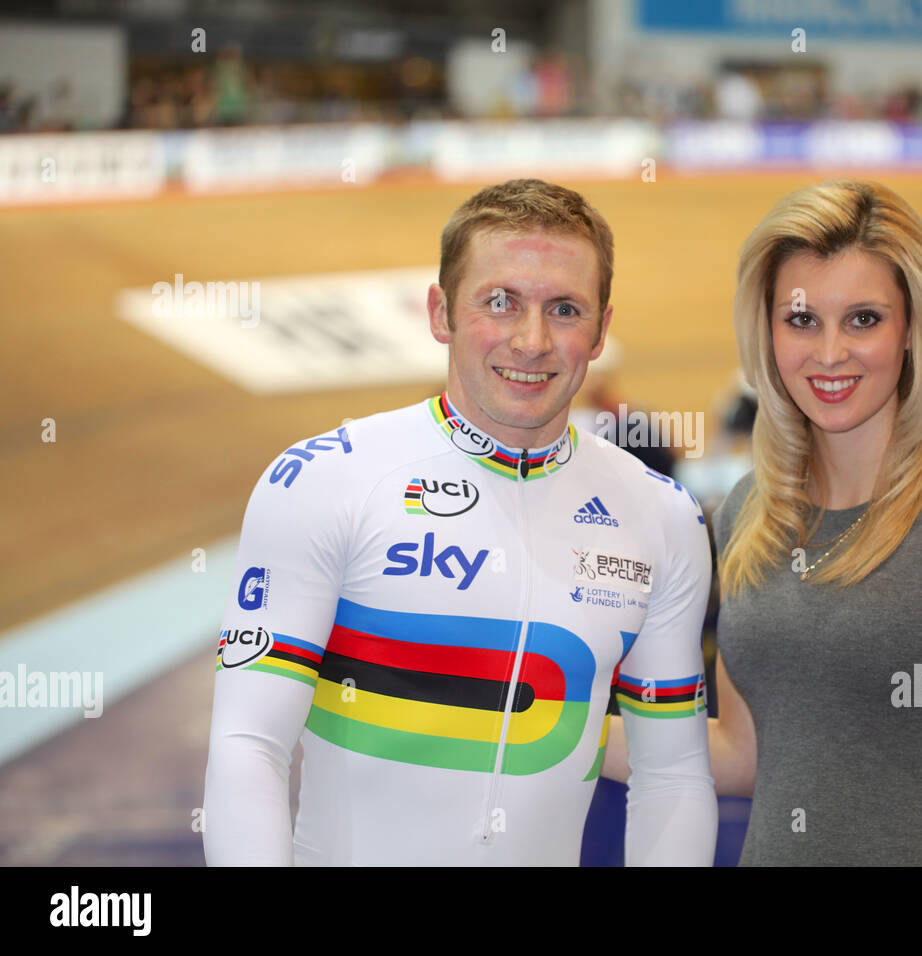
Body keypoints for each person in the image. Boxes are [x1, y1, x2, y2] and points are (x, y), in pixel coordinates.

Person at [203, 178, 717, 865]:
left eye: (565, 309)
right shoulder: (325, 480)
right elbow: (248, 746)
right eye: (500, 302)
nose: (532, 340)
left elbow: (672, 775)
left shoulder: (663, 516)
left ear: (600, 330)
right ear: (440, 312)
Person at [605, 179, 922, 865]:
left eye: (863, 319)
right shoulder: (747, 513)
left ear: (911, 328)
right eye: (801, 320)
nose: (829, 352)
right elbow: (744, 751)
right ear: (768, 332)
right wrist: (565, 728)